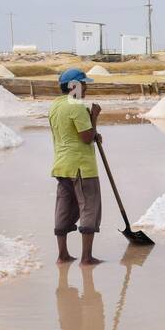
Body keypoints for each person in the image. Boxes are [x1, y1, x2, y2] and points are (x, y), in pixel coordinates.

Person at [50, 68, 103, 264]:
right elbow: (86, 138)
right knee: (89, 207)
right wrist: (94, 117)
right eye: (84, 84)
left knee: (63, 207)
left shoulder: (55, 106)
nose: (86, 87)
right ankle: (87, 258)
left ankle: (62, 255)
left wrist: (93, 131)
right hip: (81, 167)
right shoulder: (76, 106)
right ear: (74, 86)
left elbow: (69, 134)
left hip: (61, 165)